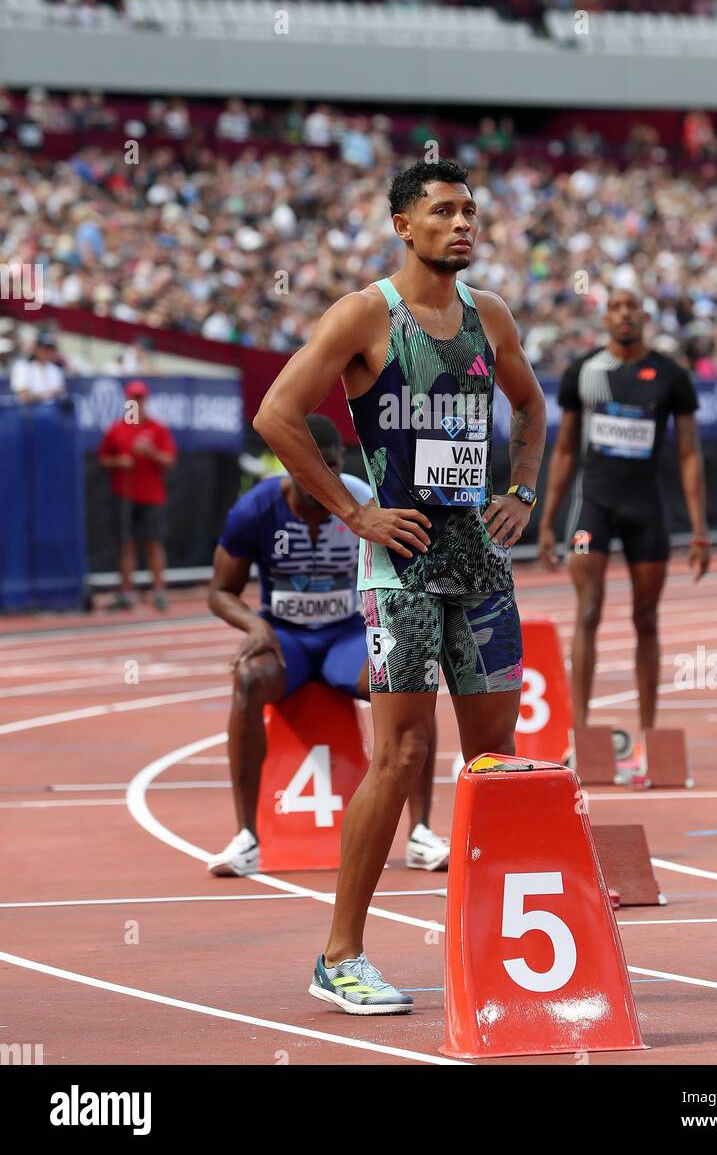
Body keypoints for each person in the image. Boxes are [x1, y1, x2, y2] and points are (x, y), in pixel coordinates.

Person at [254, 159, 547, 1014]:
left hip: (481, 561)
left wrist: (522, 491)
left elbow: (532, 410)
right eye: (444, 212)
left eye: (470, 212)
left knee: (494, 762)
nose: (463, 225)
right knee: (405, 754)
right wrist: (354, 511)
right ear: (403, 226)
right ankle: (339, 955)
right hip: (402, 564)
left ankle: (496, 944)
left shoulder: (490, 318)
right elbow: (277, 412)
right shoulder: (364, 316)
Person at [206, 413, 450, 877]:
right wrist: (252, 627)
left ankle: (420, 832)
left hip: (348, 637)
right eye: (313, 472)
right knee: (246, 679)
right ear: (292, 467)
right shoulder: (255, 510)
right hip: (286, 641)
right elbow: (220, 592)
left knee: (410, 677)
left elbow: (412, 568)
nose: (325, 483)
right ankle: (246, 837)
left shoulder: (367, 500)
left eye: (333, 468)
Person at [538, 287, 710, 776]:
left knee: (646, 619)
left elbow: (689, 454)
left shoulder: (671, 377)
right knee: (587, 610)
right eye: (616, 307)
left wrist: (699, 531)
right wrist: (547, 521)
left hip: (646, 509)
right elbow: (565, 450)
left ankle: (650, 742)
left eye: (633, 307)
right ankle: (583, 736)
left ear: (646, 316)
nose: (625, 315)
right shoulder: (584, 373)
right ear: (606, 317)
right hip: (594, 505)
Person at [97, 380, 176, 612]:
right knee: (126, 545)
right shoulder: (117, 428)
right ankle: (126, 592)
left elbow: (170, 461)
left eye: (140, 399)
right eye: (133, 398)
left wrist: (151, 452)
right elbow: (103, 459)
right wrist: (119, 462)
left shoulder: (157, 428)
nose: (136, 403)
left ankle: (159, 591)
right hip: (124, 495)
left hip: (151, 496)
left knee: (153, 544)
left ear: (146, 400)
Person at [10, 332, 66, 402]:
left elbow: (60, 393)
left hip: (53, 410)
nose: (49, 352)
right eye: (46, 349)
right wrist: (48, 394)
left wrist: (41, 395)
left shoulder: (55, 369)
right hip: (30, 411)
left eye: (52, 349)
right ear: (36, 349)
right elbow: (24, 396)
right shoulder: (22, 367)